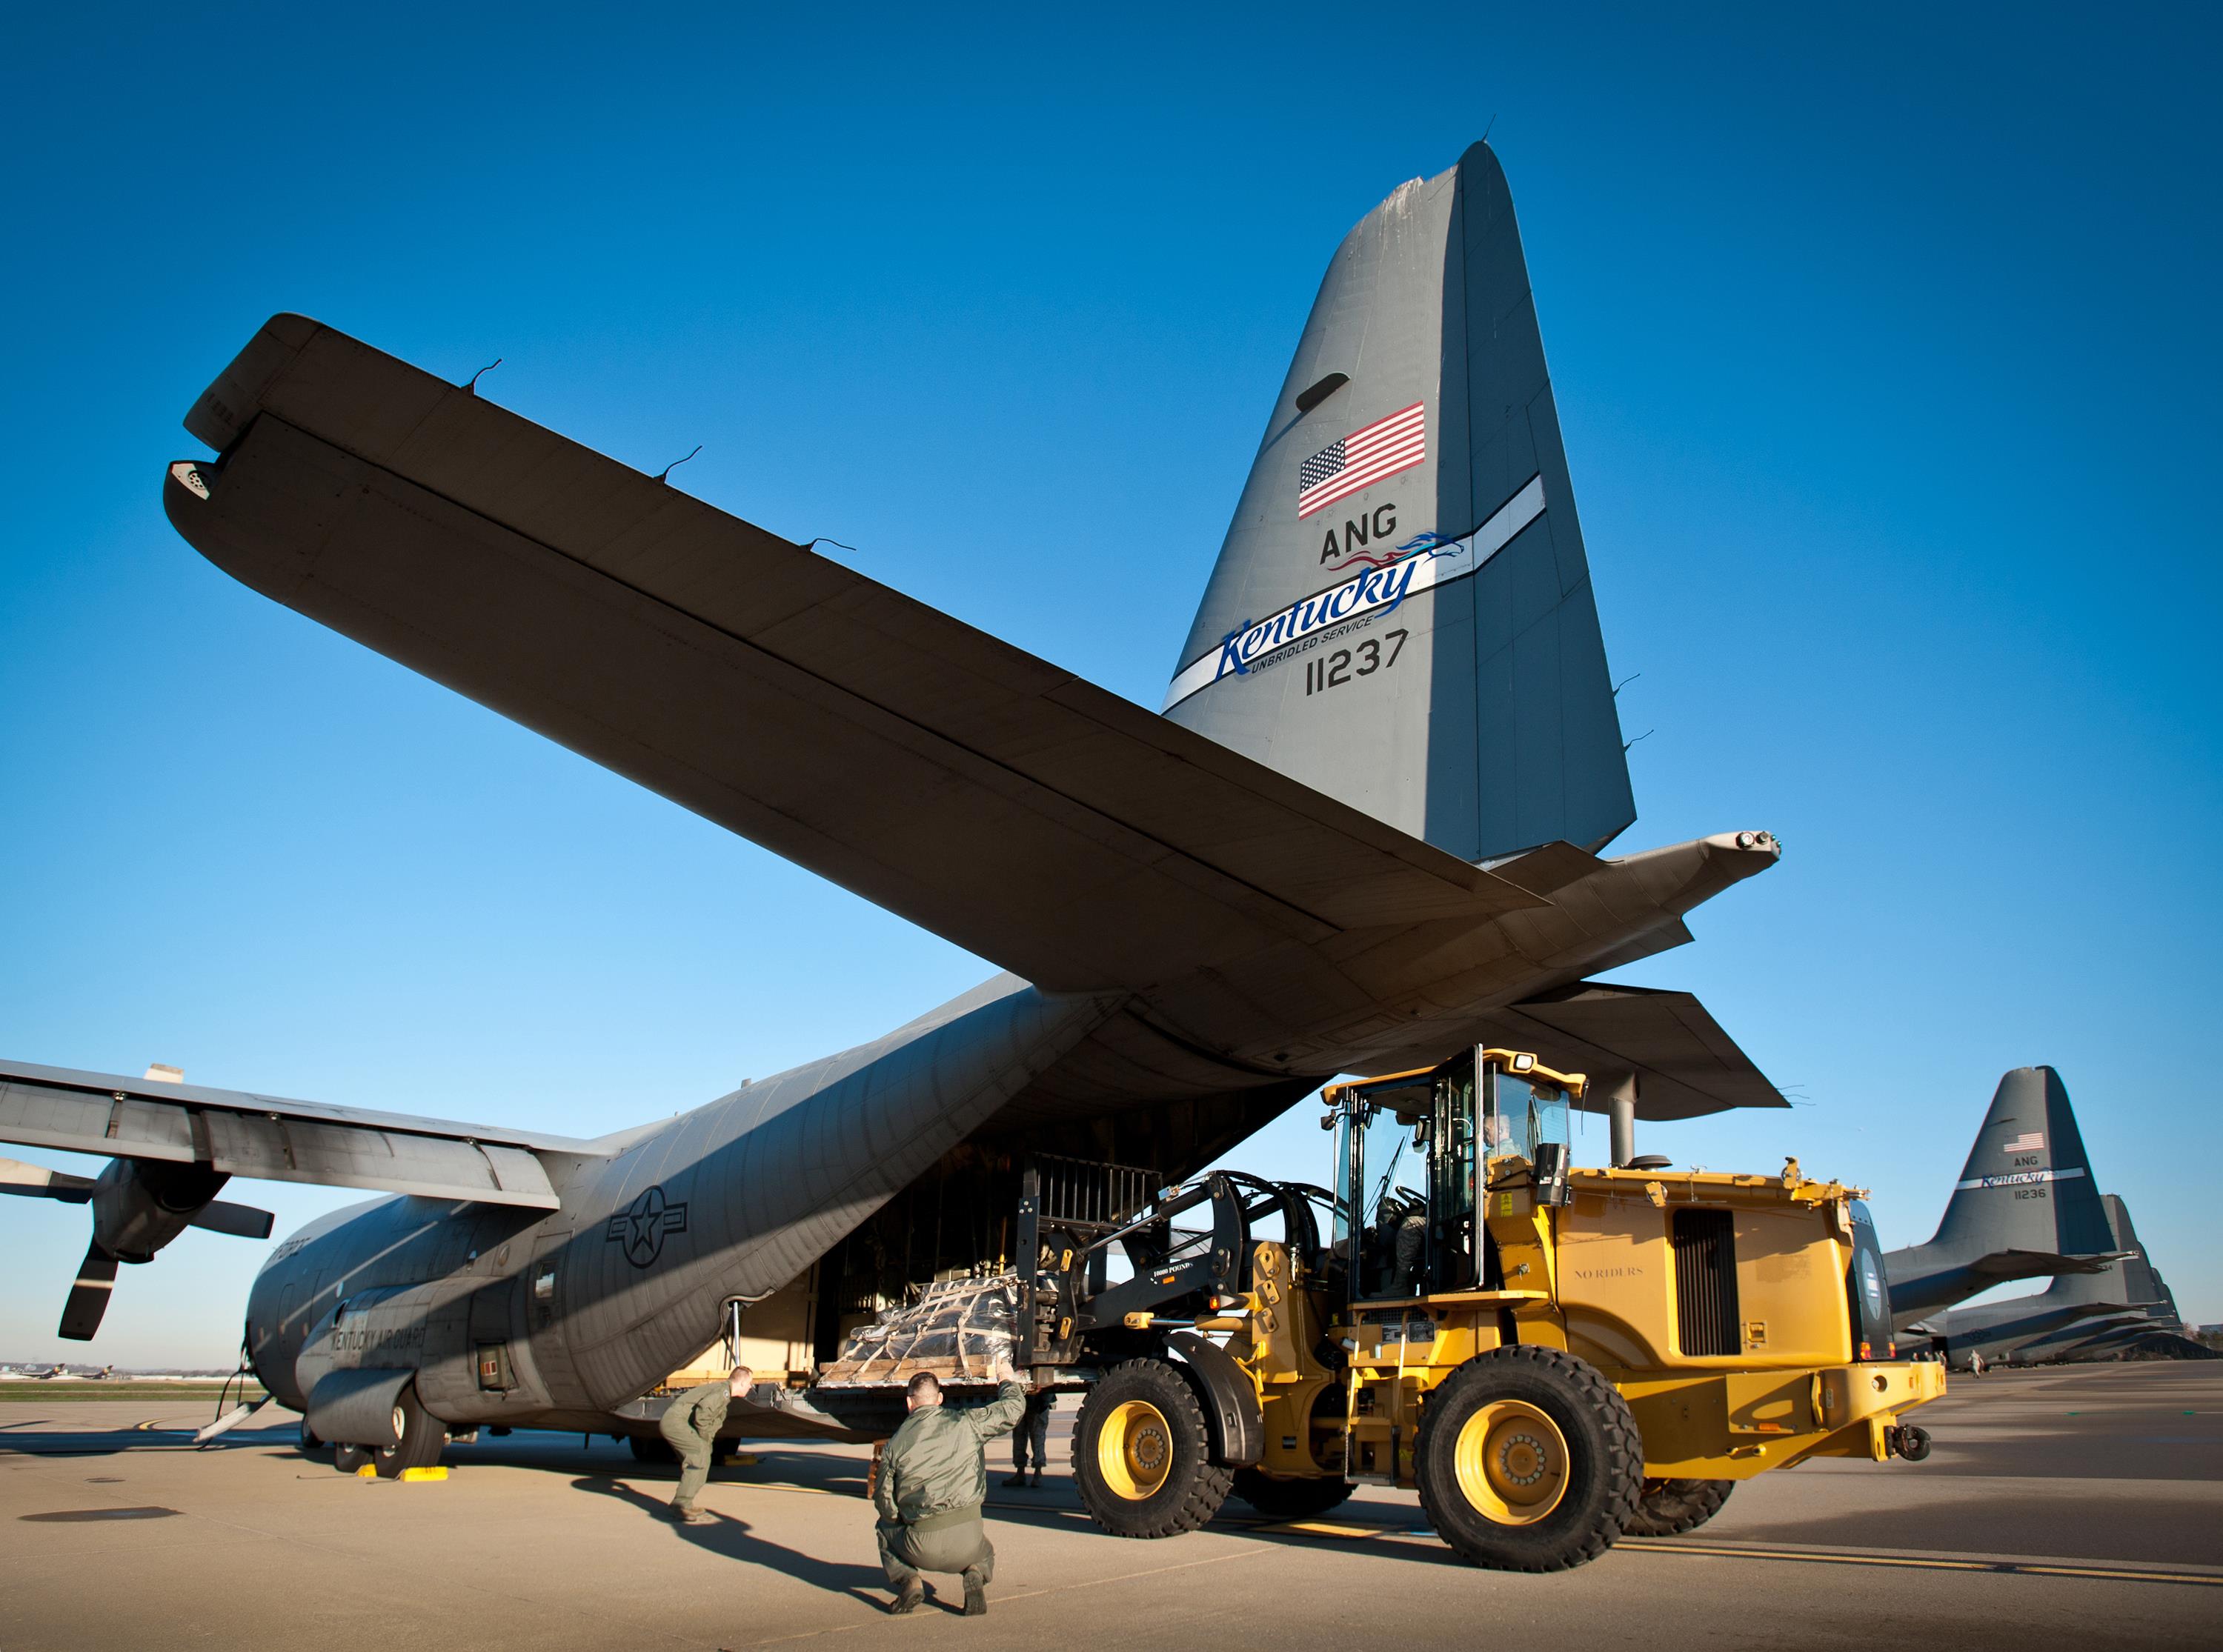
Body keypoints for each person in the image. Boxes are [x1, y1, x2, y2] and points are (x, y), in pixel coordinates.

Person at [875, 1355, 1026, 1616]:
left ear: (909, 1403)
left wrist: (903, 1519)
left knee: (883, 1529)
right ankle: (976, 1574)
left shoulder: (894, 1446)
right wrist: (1005, 1378)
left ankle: (909, 1580)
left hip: (921, 1545)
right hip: (968, 1540)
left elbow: (884, 1502)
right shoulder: (968, 1424)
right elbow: (1013, 1409)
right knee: (985, 1552)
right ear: (940, 1399)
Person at [659, 1365, 754, 1524]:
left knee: (703, 1458)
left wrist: (706, 1443)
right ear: (742, 1383)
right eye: (750, 1383)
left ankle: (685, 1503)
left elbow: (710, 1422)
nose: (751, 1387)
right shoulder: (722, 1393)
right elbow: (702, 1416)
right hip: (675, 1422)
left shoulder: (725, 1395)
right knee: (699, 1456)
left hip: (679, 1423)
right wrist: (703, 1441)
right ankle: (680, 1504)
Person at [1003, 1383, 1055, 1488]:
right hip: (1024, 1399)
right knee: (1021, 1436)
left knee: (1036, 1437)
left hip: (1038, 1400)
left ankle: (1036, 1473)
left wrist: (1046, 1399)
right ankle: (1023, 1472)